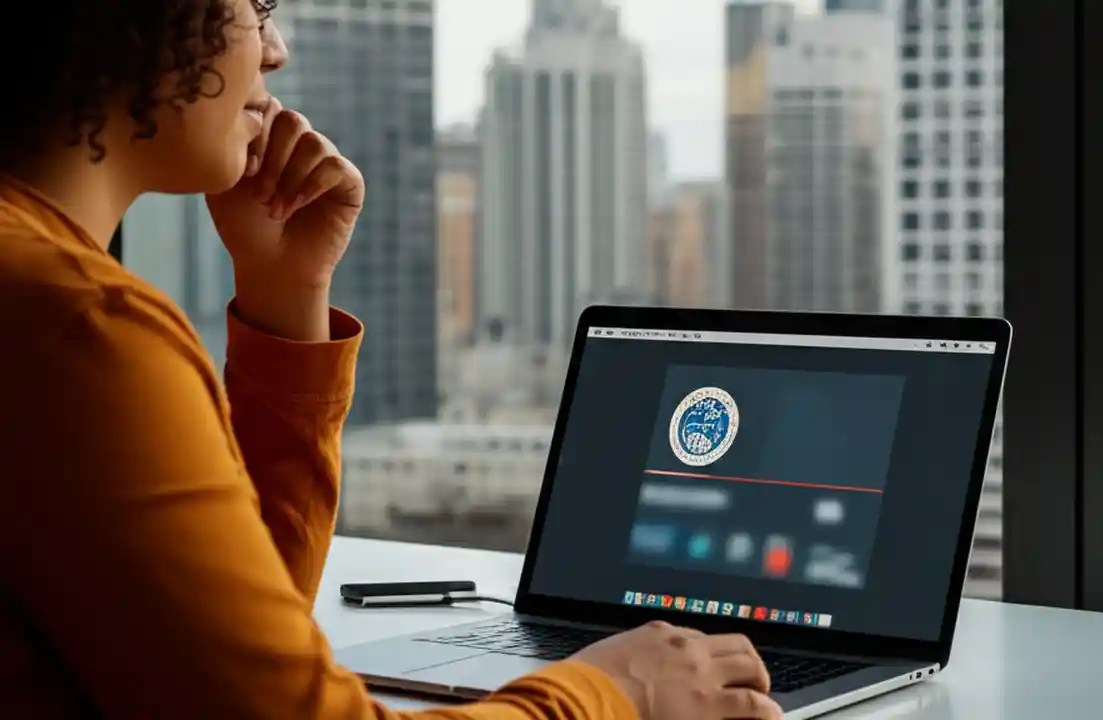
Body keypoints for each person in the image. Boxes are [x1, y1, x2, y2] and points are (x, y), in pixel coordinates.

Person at [0, 2, 784, 718]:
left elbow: (229, 653)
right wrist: (618, 693)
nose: (274, 49)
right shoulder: (79, 327)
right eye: (257, 5)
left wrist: (287, 294)